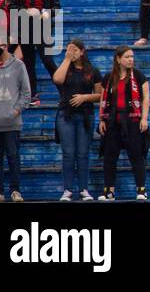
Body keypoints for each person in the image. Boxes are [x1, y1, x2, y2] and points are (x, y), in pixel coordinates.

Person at [96, 46, 149, 201]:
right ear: (118, 59)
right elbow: (102, 99)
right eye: (127, 57)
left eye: (132, 56)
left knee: (136, 157)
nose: (130, 59)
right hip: (112, 122)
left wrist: (144, 118)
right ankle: (109, 191)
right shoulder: (108, 77)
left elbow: (146, 97)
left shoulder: (139, 76)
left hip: (133, 121)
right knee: (109, 157)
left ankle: (141, 190)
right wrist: (101, 119)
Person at [52, 39, 101, 201]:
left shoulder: (92, 71)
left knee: (83, 153)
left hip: (85, 115)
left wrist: (85, 97)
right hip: (66, 115)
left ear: (82, 51)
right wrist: (66, 59)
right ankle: (67, 190)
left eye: (74, 50)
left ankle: (84, 189)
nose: (71, 52)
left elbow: (100, 95)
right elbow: (57, 80)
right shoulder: (66, 68)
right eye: (68, 50)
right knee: (68, 154)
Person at [0, 39, 30, 202]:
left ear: (6, 46)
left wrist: (15, 111)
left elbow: (26, 93)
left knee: (13, 156)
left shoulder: (18, 66)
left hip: (11, 122)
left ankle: (15, 191)